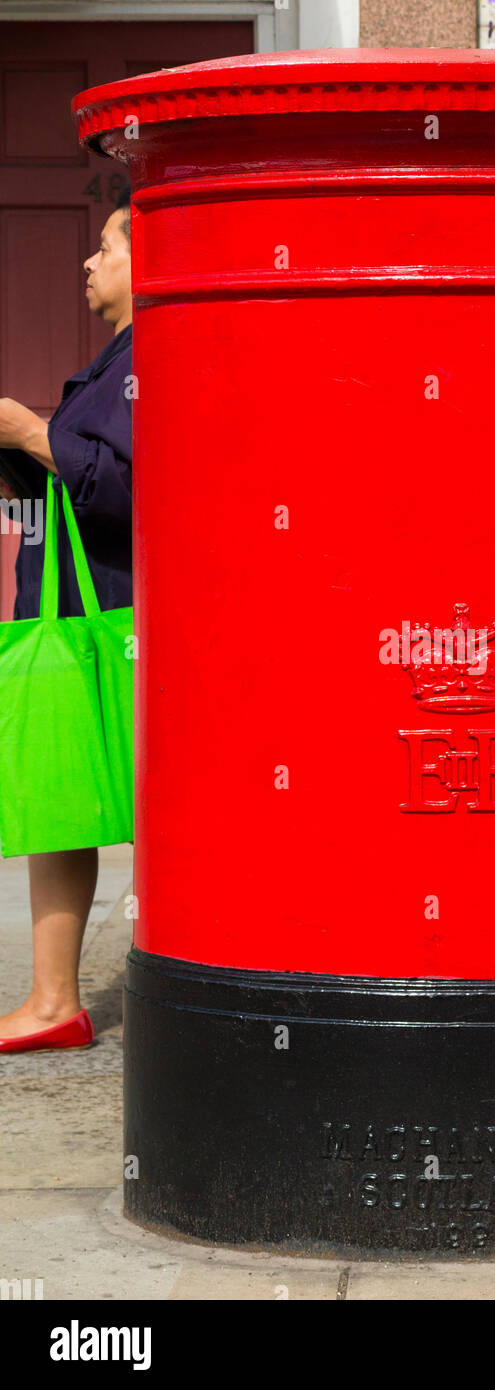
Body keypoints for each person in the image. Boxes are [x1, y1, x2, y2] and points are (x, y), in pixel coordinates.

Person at [0, 189, 133, 1050]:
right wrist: (18, 459)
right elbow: (62, 503)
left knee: (134, 804)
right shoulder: (109, 363)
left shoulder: (153, 359)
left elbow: (133, 492)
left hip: (111, 623)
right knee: (55, 805)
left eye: (106, 247)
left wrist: (31, 430)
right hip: (61, 619)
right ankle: (53, 1000)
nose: (88, 262)